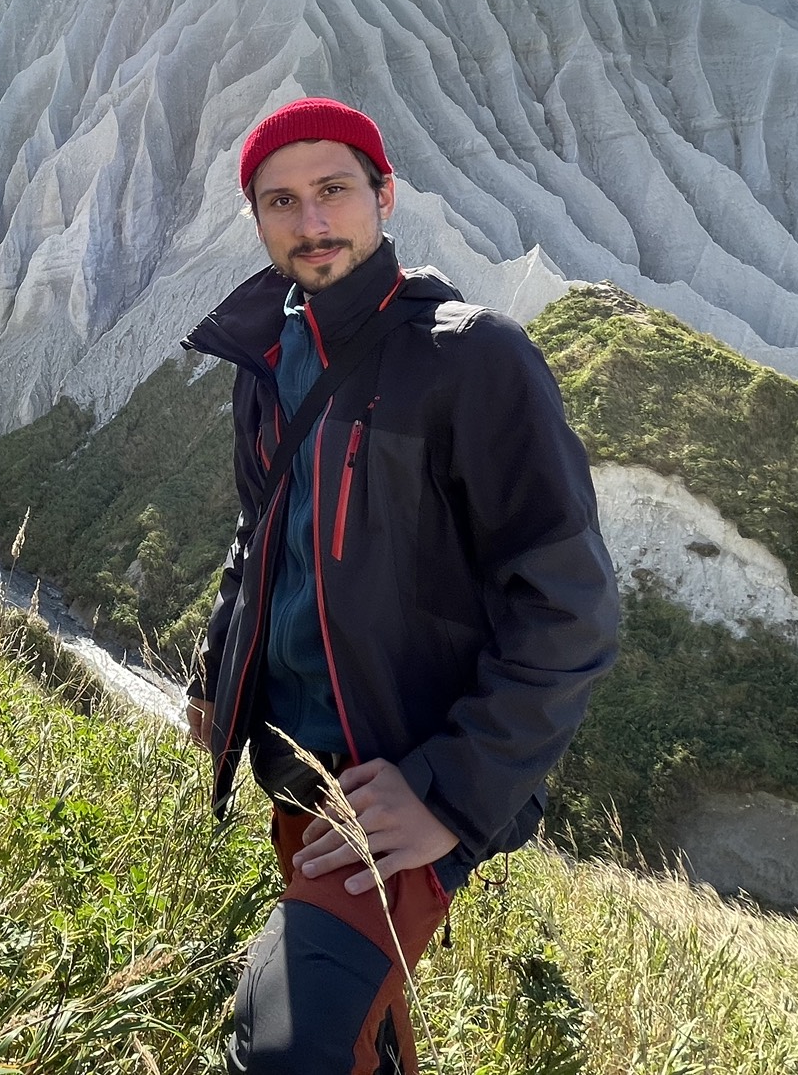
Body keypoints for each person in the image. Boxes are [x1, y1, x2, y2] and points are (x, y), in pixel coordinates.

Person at [182, 97, 619, 1075]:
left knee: (285, 1041)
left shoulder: (472, 360)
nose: (310, 222)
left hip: (400, 789)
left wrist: (449, 796)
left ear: (383, 195)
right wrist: (218, 661)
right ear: (254, 218)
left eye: (332, 190)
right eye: (279, 200)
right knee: (359, 1036)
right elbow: (261, 533)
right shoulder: (264, 358)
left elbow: (571, 608)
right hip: (297, 770)